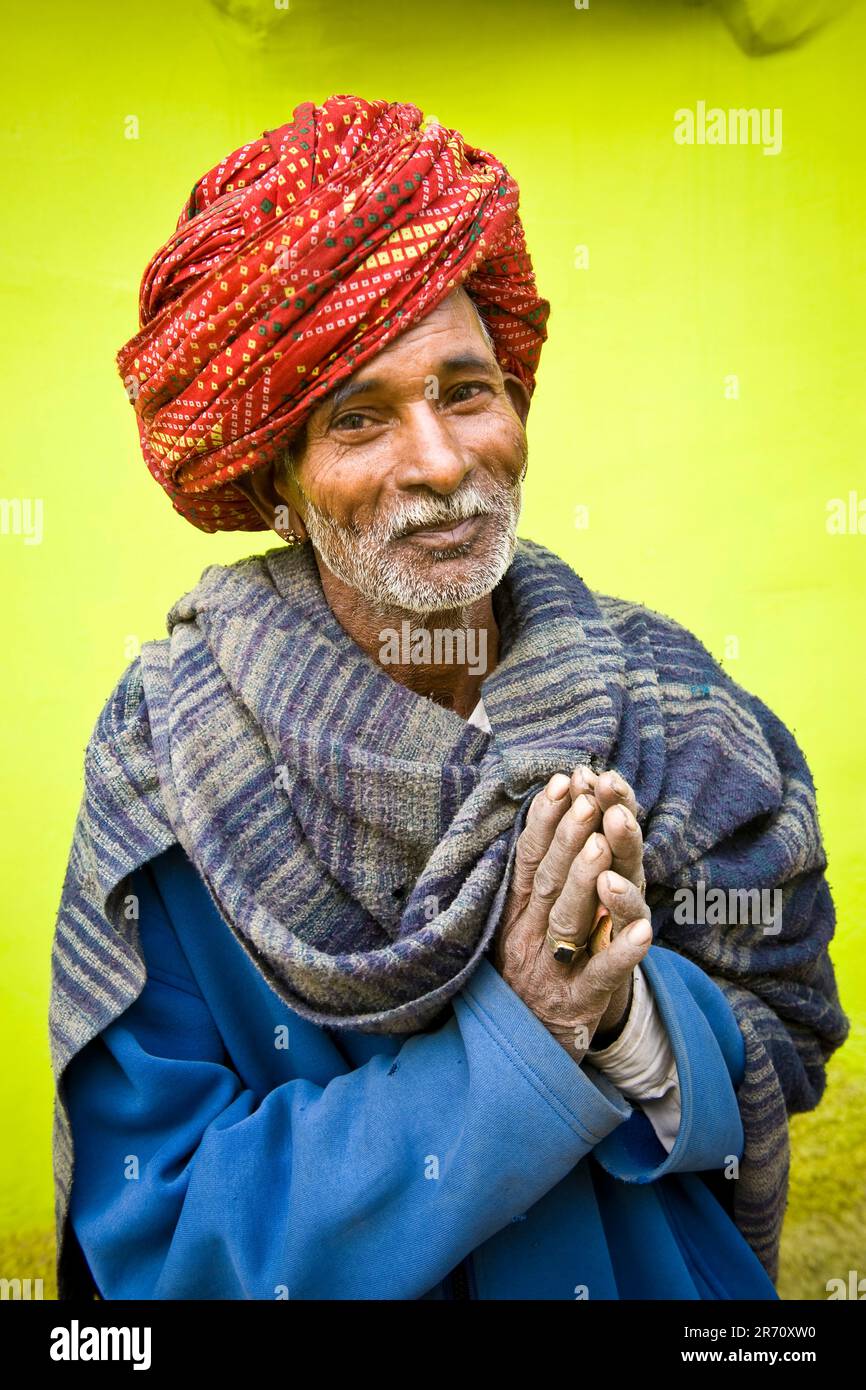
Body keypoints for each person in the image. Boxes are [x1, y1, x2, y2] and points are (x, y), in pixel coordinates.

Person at [49, 93, 849, 1301]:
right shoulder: (172, 755)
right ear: (276, 481)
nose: (437, 461)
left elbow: (781, 1031)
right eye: (358, 417)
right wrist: (519, 1040)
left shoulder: (673, 702)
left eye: (466, 391)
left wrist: (628, 1010)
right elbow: (156, 1234)